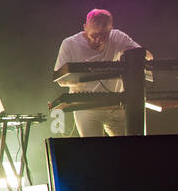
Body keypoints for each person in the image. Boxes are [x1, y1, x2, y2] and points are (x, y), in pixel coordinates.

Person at [53, 8, 152, 137]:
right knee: (94, 150)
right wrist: (79, 80)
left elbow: (147, 56)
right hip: (87, 108)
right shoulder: (70, 44)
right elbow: (59, 79)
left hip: (116, 106)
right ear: (85, 27)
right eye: (94, 35)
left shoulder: (117, 37)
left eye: (104, 35)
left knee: (129, 149)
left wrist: (133, 58)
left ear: (111, 29)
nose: (98, 40)